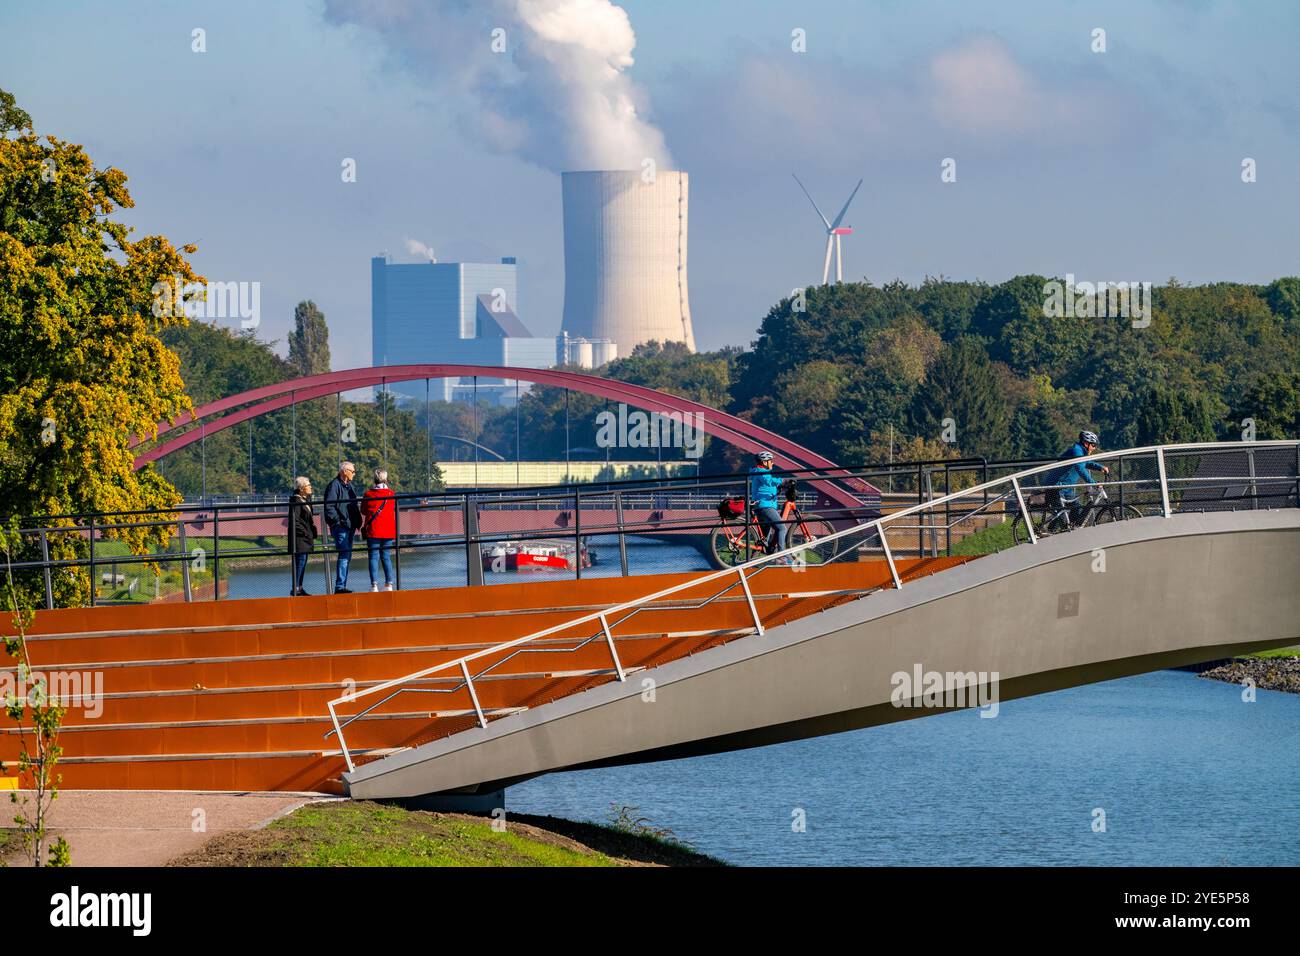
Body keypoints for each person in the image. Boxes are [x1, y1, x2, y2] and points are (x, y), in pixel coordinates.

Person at [1047, 430, 1110, 529]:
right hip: (1056, 487)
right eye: (1093, 445)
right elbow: (1080, 468)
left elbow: (1087, 463)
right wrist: (1093, 483)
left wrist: (1100, 467)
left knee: (1077, 509)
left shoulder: (1081, 452)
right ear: (1086, 443)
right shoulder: (1076, 450)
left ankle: (1070, 531)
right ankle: (1052, 532)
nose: (1094, 448)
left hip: (1066, 488)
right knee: (1063, 518)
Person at [323, 461, 362, 593]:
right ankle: (339, 587)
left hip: (349, 526)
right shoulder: (334, 485)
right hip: (341, 527)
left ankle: (342, 586)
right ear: (345, 471)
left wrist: (357, 521)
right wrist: (338, 522)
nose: (354, 474)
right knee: (344, 554)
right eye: (353, 471)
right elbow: (329, 507)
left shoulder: (349, 486)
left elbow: (353, 505)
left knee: (347, 555)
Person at [361, 468, 397, 592]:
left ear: (374, 479)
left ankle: (374, 585)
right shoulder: (391, 494)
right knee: (386, 556)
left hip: (373, 529)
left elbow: (363, 511)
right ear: (386, 479)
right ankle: (389, 584)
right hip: (388, 530)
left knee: (373, 557)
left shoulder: (368, 494)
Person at [748, 450, 789, 556]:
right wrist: (783, 481)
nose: (772, 463)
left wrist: (778, 487)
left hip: (761, 506)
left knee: (764, 539)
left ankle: (753, 559)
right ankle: (782, 555)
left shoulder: (758, 472)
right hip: (765, 506)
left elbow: (765, 486)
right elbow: (769, 481)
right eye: (770, 460)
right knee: (781, 528)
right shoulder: (761, 472)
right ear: (764, 462)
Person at [287, 476, 317, 596]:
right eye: (308, 485)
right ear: (301, 488)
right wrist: (306, 533)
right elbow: (295, 521)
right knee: (300, 562)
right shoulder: (296, 501)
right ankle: (295, 588)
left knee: (303, 563)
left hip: (305, 538)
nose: (310, 487)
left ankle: (299, 587)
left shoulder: (305, 500)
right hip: (300, 538)